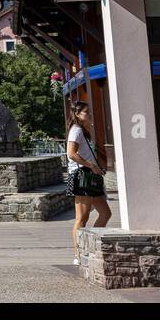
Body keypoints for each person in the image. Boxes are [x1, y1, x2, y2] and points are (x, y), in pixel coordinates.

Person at [66, 100, 111, 264]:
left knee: (105, 213)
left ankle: (90, 246)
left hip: (91, 177)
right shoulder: (76, 131)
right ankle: (78, 254)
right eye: (86, 112)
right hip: (82, 176)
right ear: (77, 114)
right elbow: (71, 154)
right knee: (81, 218)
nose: (89, 115)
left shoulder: (83, 131)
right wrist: (92, 165)